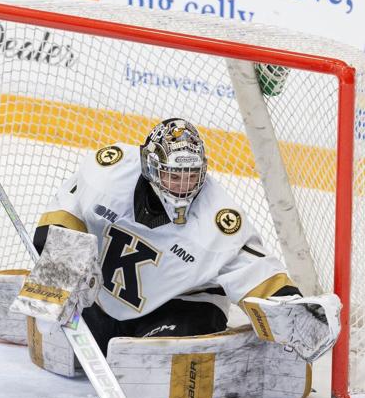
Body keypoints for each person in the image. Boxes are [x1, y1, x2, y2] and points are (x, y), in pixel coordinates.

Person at [30, 118, 339, 360]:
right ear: (151, 167)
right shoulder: (108, 173)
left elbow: (254, 271)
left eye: (191, 176)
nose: (182, 187)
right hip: (104, 296)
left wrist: (289, 305)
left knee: (152, 360)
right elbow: (66, 208)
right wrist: (66, 263)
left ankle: (223, 350)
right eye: (173, 176)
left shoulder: (217, 217)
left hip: (181, 305)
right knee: (55, 331)